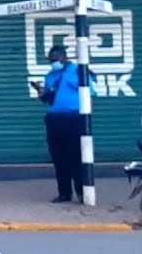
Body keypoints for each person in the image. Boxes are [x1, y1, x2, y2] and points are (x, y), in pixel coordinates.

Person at [33, 45, 96, 203]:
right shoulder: (50, 76)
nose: (53, 63)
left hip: (74, 119)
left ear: (63, 57)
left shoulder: (78, 71)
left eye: (55, 60)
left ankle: (82, 192)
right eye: (50, 60)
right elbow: (49, 99)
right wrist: (41, 93)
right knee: (58, 158)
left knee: (76, 157)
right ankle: (64, 193)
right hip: (54, 120)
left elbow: (90, 92)